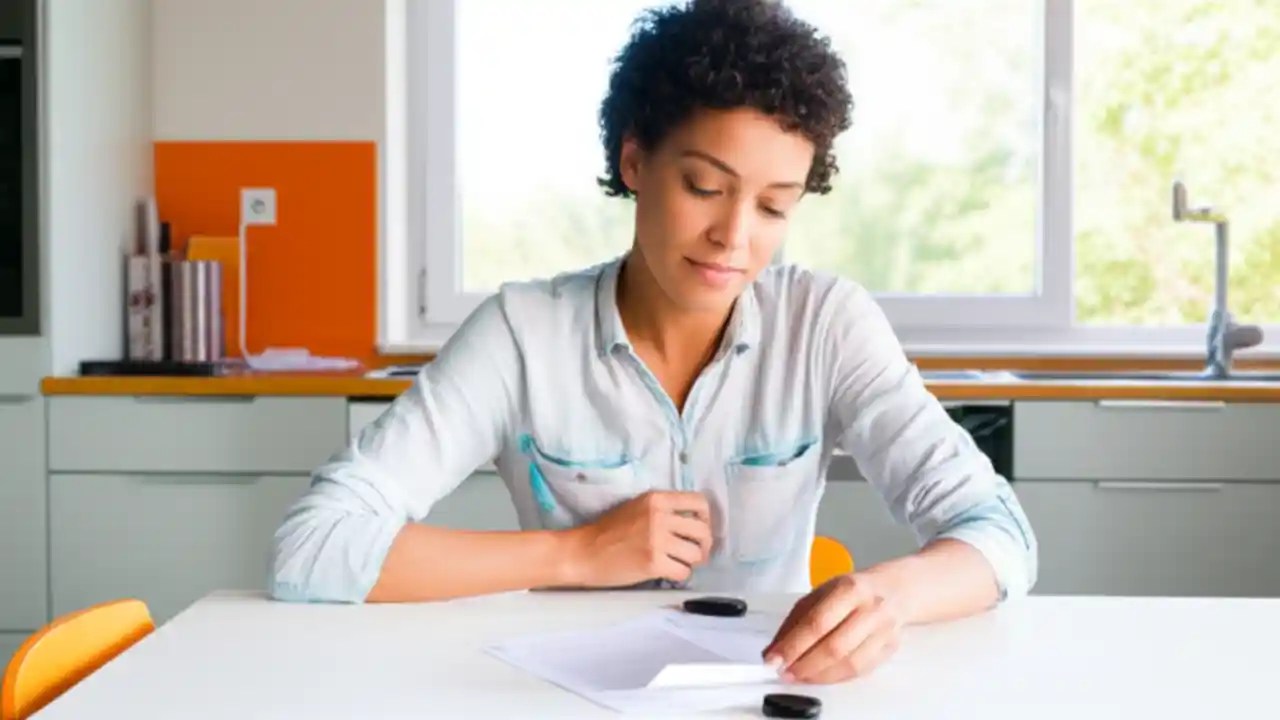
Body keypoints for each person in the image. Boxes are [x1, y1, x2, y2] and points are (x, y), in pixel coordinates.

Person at [270, 0, 1037, 685]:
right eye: (704, 187)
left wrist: (888, 597)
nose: (733, 239)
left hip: (764, 695)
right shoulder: (523, 335)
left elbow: (999, 534)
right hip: (556, 697)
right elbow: (312, 548)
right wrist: (576, 555)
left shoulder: (826, 325)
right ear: (635, 161)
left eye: (774, 206)